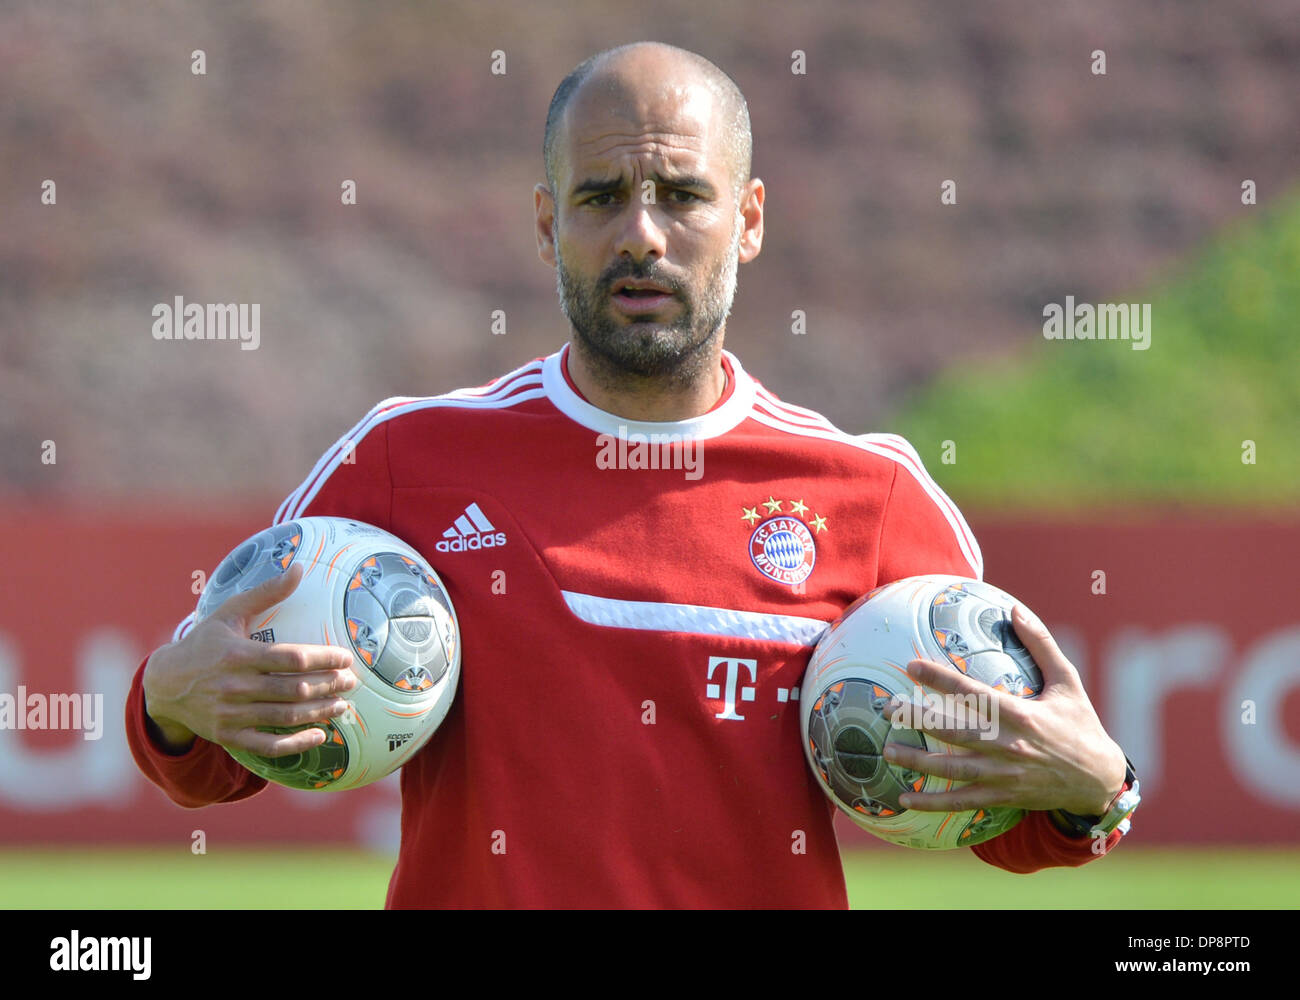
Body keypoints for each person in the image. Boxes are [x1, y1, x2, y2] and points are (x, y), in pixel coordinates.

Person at [126, 41, 1136, 908]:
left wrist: (1095, 785)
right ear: (546, 224)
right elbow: (210, 761)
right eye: (600, 197)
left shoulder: (872, 496)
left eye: (683, 195)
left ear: (748, 219)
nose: (641, 234)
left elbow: (1010, 822)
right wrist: (169, 698)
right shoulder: (402, 460)